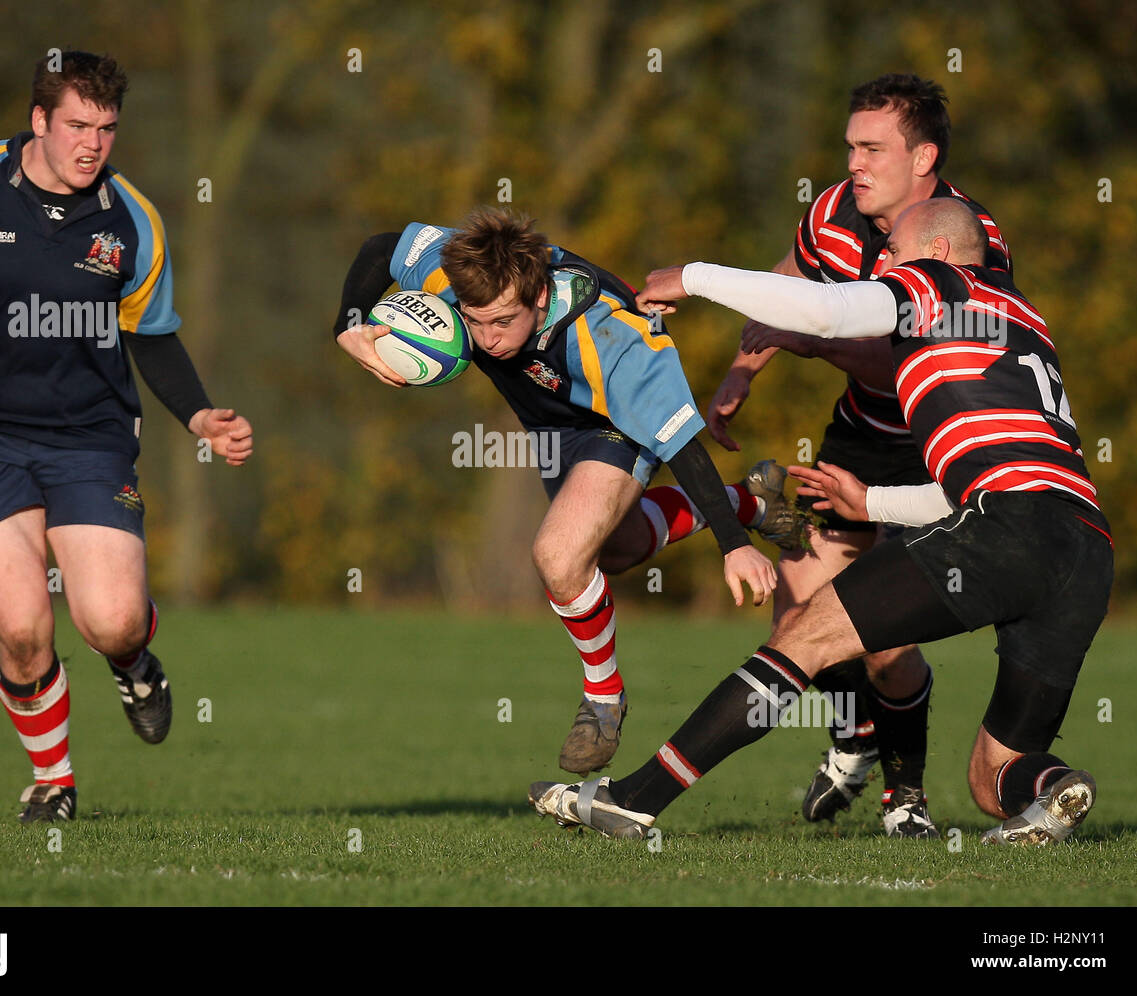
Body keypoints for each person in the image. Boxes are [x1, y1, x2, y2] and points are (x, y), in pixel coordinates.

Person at [530, 197, 1111, 847]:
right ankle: (1054, 789)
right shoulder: (1022, 316)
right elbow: (972, 486)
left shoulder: (939, 282)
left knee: (805, 635)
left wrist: (692, 276)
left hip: (1011, 525)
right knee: (994, 777)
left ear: (941, 253)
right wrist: (872, 505)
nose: (882, 260)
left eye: (894, 250)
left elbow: (827, 311)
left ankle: (634, 800)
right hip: (1085, 549)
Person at [0, 51, 253, 822]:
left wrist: (201, 415)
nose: (93, 145)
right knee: (20, 624)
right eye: (78, 126)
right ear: (39, 121)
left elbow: (151, 337)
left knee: (109, 617)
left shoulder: (132, 218)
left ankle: (133, 661)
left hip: (90, 434)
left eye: (107, 129)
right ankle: (55, 780)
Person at [333, 208, 801, 774]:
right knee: (615, 552)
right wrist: (348, 325)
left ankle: (604, 700)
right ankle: (750, 501)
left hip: (616, 422)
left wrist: (733, 546)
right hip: (554, 430)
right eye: (475, 322)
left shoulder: (613, 343)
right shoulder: (466, 276)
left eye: (503, 321)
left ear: (536, 296)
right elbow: (384, 245)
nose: (488, 339)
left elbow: (682, 445)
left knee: (557, 556)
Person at [702, 73, 1011, 835]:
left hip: (935, 458)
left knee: (886, 645)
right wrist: (739, 373)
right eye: (850, 146)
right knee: (796, 612)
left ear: (925, 157)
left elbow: (900, 364)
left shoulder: (968, 244)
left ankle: (905, 800)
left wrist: (804, 341)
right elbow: (790, 277)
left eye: (873, 149)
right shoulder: (836, 210)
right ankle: (854, 736)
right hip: (854, 441)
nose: (854, 164)